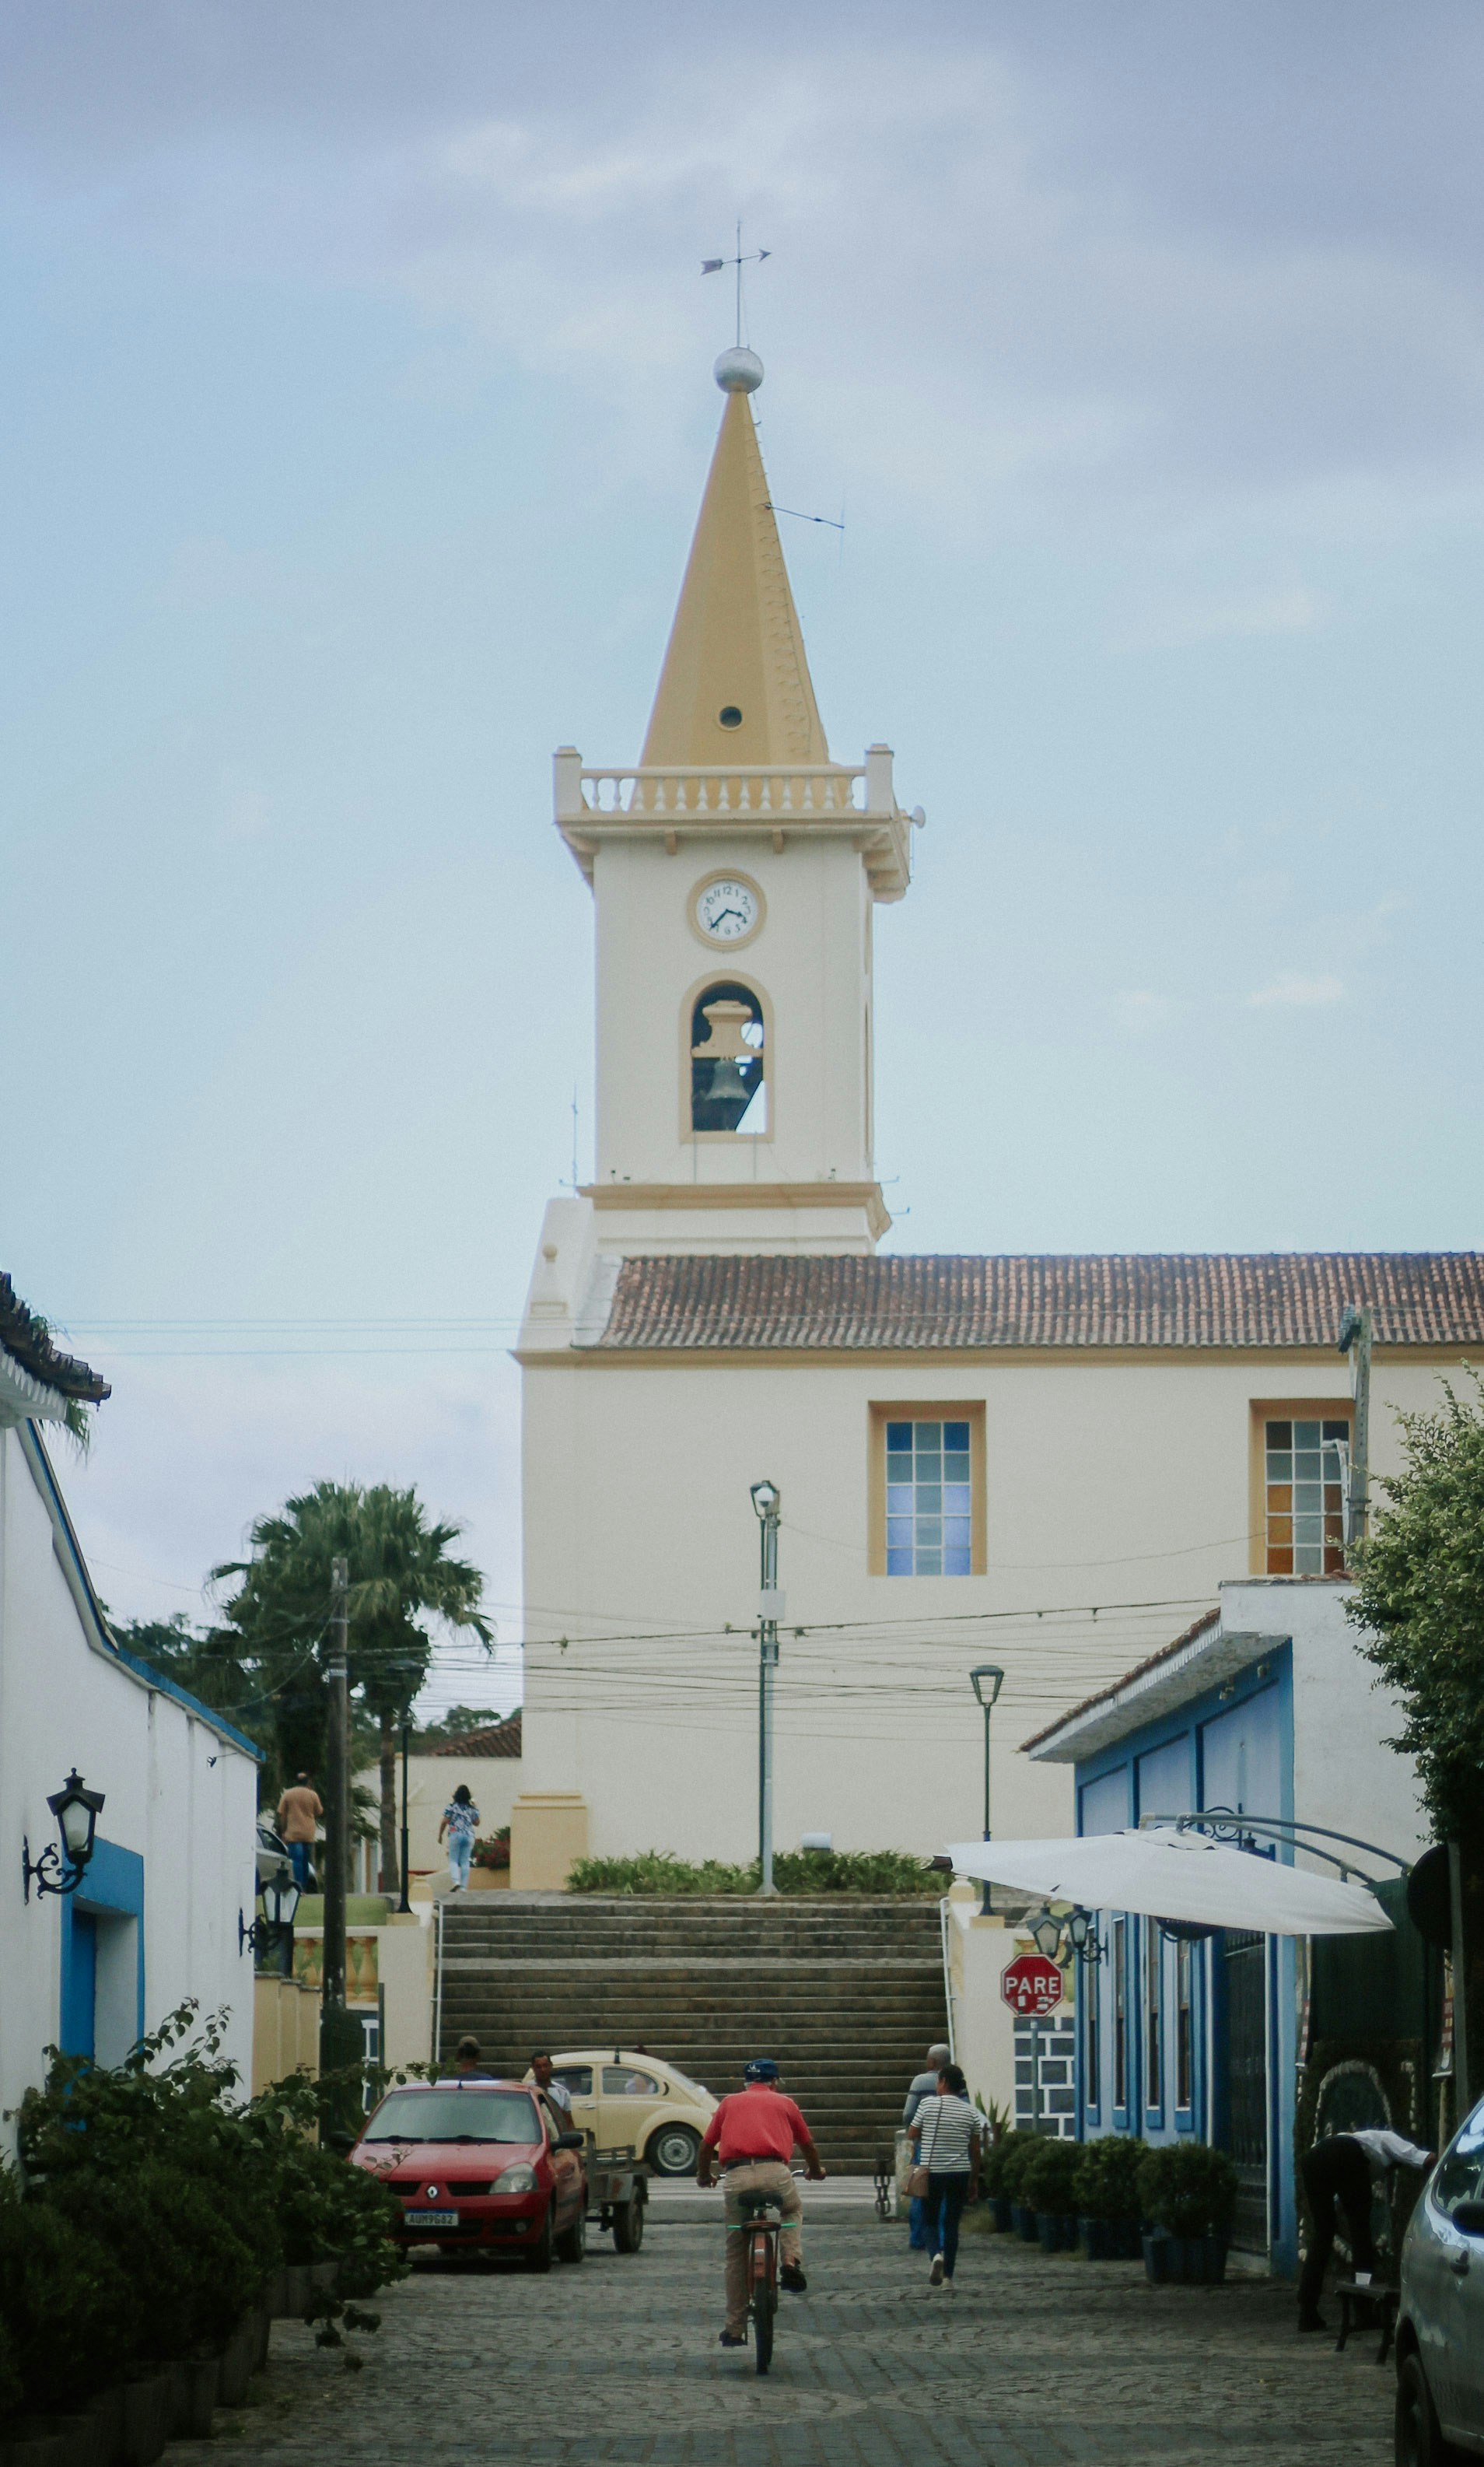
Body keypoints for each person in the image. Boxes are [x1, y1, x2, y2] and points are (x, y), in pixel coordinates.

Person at [697, 2058, 826, 2349]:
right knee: (791, 2210)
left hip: (736, 2177)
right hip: (776, 2173)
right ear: (774, 2082)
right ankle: (790, 2259)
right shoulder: (786, 2103)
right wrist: (815, 2171)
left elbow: (706, 2146)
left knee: (736, 2251)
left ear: (746, 2082)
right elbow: (808, 2144)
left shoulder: (729, 2103)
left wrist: (704, 2177)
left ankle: (734, 2328)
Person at [1297, 2126, 1434, 2331]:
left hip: (1313, 2160)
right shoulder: (1386, 2138)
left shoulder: (1353, 2141)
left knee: (1322, 2235)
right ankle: (1363, 2310)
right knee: (1361, 2237)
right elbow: (1424, 2159)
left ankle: (1307, 2312)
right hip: (1348, 2155)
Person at [909, 2062, 982, 2291]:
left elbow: (912, 2133)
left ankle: (935, 2256)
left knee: (929, 2220)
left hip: (932, 2171)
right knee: (951, 2224)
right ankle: (949, 2278)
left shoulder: (928, 2104)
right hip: (960, 2173)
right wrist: (974, 2180)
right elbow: (976, 2150)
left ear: (943, 2083)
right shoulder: (971, 2112)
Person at [902, 2041, 953, 2251]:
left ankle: (918, 2237)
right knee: (944, 2193)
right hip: (949, 2145)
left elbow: (908, 2114)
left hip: (925, 2144)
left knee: (919, 2190)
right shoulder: (957, 2081)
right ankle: (942, 2238)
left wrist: (914, 2134)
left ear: (932, 2062)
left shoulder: (920, 2081)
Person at [275, 1773, 323, 1891]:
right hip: (308, 1833)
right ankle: (305, 1886)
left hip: (293, 1832)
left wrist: (284, 1830)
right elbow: (319, 1811)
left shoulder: (288, 1794)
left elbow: (282, 1813)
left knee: (296, 1860)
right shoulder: (312, 1795)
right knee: (305, 1861)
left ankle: (298, 1886)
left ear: (296, 1781)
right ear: (308, 1782)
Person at [437, 1783, 480, 1891]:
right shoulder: (471, 1808)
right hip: (469, 1835)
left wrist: (440, 1835)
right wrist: (475, 1807)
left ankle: (456, 1881)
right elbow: (477, 1823)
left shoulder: (452, 1806)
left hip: (455, 1833)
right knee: (465, 1861)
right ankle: (464, 1887)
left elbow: (444, 1822)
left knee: (453, 1860)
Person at [524, 2052, 572, 2116]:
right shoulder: (526, 2090)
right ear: (533, 2068)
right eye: (538, 2067)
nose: (543, 2070)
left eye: (545, 2066)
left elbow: (568, 2122)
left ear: (551, 2066)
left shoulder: (562, 2093)